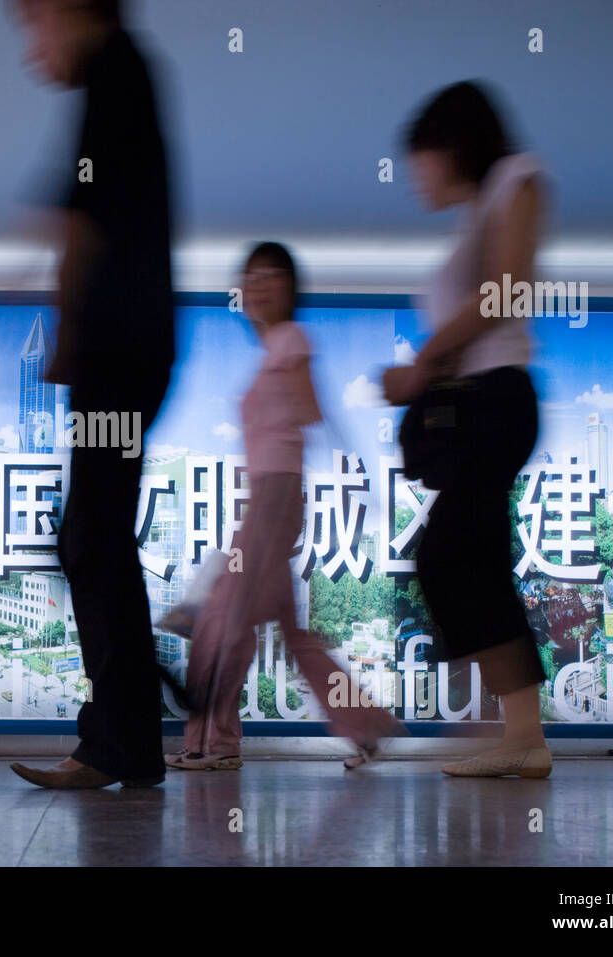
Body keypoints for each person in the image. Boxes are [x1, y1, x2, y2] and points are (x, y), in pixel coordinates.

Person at [8, 0, 176, 789]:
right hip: (131, 350)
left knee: (93, 537)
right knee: (94, 535)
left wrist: (68, 330)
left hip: (118, 351)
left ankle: (121, 741)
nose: (29, 47)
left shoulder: (113, 74)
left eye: (31, 21)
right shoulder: (127, 76)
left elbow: (84, 224)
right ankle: (130, 740)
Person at [167, 243, 405, 772]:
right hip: (272, 499)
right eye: (250, 278)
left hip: (276, 499)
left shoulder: (290, 341)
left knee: (223, 623)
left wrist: (362, 480)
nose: (258, 286)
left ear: (290, 288)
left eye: (271, 276)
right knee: (290, 633)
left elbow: (317, 412)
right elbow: (314, 413)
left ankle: (213, 745)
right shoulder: (277, 349)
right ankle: (365, 724)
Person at [381, 81, 551, 778]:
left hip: (496, 402)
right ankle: (518, 734)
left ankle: (509, 729)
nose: (415, 175)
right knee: (467, 556)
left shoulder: (519, 177)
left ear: (447, 146)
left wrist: (422, 362)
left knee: (450, 554)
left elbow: (507, 292)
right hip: (476, 405)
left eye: (418, 158)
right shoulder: (477, 211)